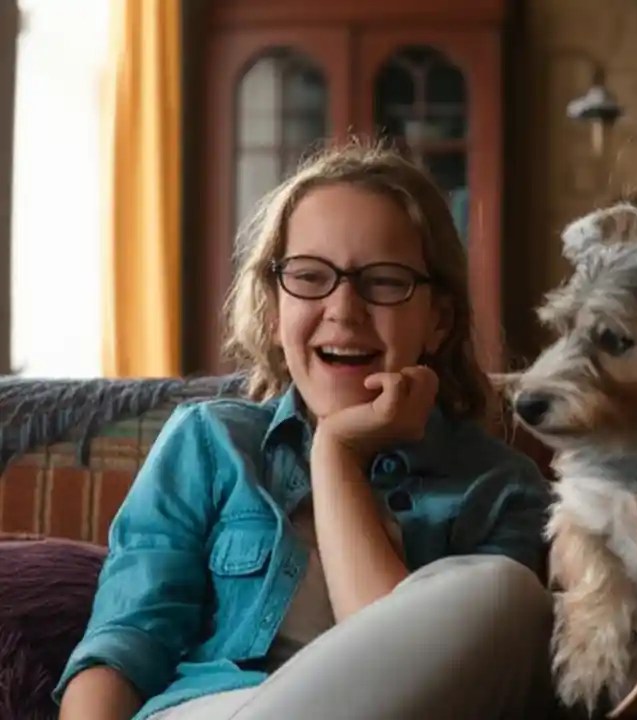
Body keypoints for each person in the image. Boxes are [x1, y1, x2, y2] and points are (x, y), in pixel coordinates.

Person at [54, 143, 554, 720]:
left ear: (438, 319)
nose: (344, 308)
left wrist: (337, 452)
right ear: (273, 310)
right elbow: (123, 645)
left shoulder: (501, 487)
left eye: (385, 282)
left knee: (503, 593)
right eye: (310, 277)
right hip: (218, 707)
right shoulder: (210, 442)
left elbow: (403, 675)